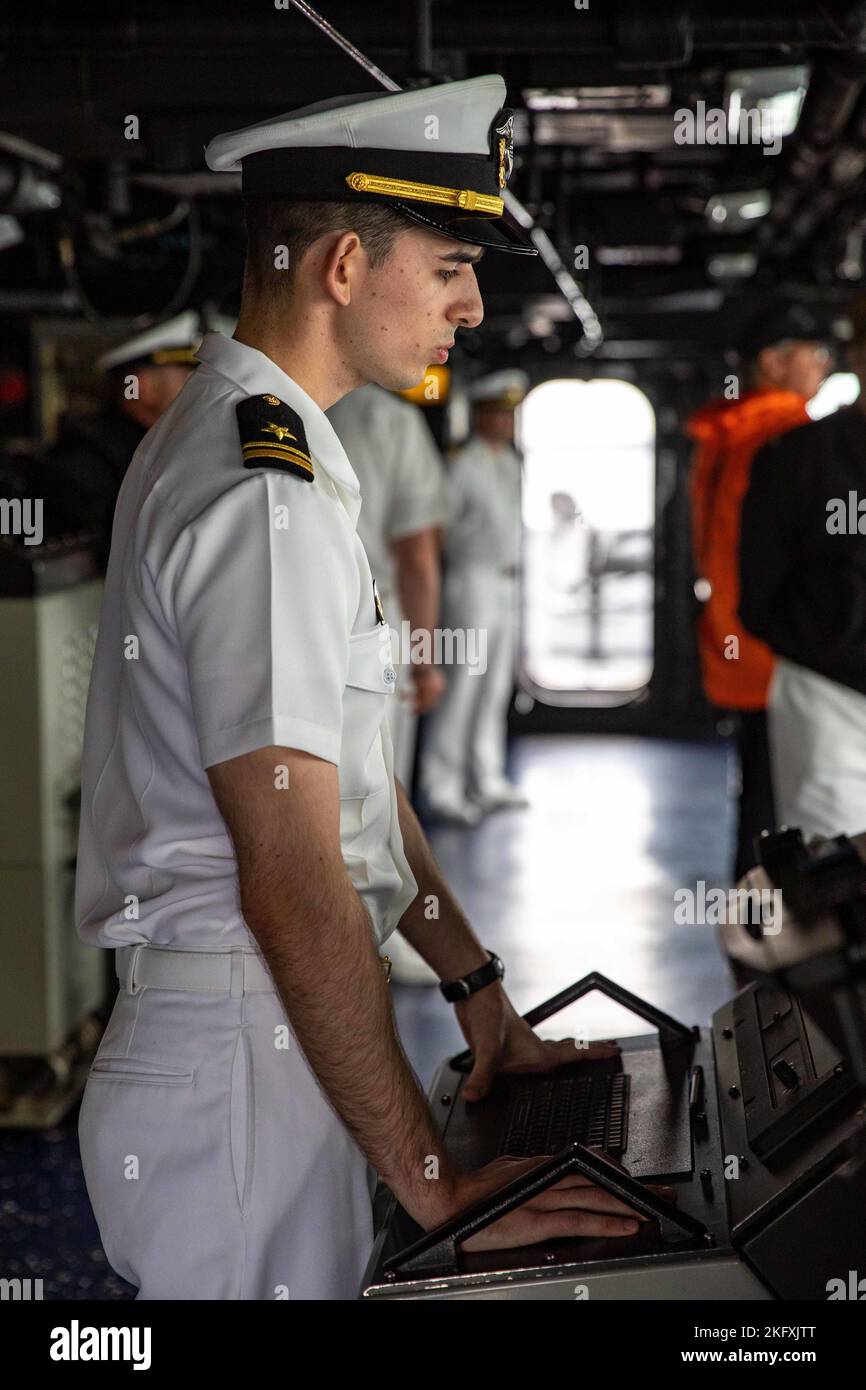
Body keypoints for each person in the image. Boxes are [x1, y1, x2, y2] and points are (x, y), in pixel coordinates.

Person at [74, 76, 651, 1303]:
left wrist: (478, 995)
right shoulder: (262, 492)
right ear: (343, 266)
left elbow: (355, 793)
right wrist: (435, 1184)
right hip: (245, 1062)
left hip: (273, 1038)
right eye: (450, 267)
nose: (471, 306)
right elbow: (291, 879)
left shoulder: (275, 453)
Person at [686, 299, 831, 878]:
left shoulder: (726, 433)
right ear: (773, 362)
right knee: (798, 803)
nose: (824, 364)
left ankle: (755, 912)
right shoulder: (787, 435)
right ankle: (781, 916)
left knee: (761, 798)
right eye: (815, 353)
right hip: (789, 657)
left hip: (742, 644)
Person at [327, 383, 448, 986]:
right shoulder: (392, 420)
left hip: (303, 620)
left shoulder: (291, 401)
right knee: (377, 789)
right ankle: (379, 935)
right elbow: (417, 554)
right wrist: (425, 661)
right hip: (373, 623)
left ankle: (337, 931)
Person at [739, 302, 866, 840]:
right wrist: (825, 642)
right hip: (827, 697)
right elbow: (758, 591)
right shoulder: (795, 457)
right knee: (833, 864)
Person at [419, 369, 529, 825]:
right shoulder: (462, 465)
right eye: (499, 414)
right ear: (480, 415)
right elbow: (437, 527)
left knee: (495, 685)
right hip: (471, 581)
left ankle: (487, 778)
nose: (507, 422)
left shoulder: (510, 463)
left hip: (506, 583)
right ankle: (441, 787)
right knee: (463, 683)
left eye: (511, 415)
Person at [43, 312, 201, 566]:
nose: (201, 392)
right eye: (189, 379)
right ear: (144, 387)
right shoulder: (85, 468)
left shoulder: (161, 451)